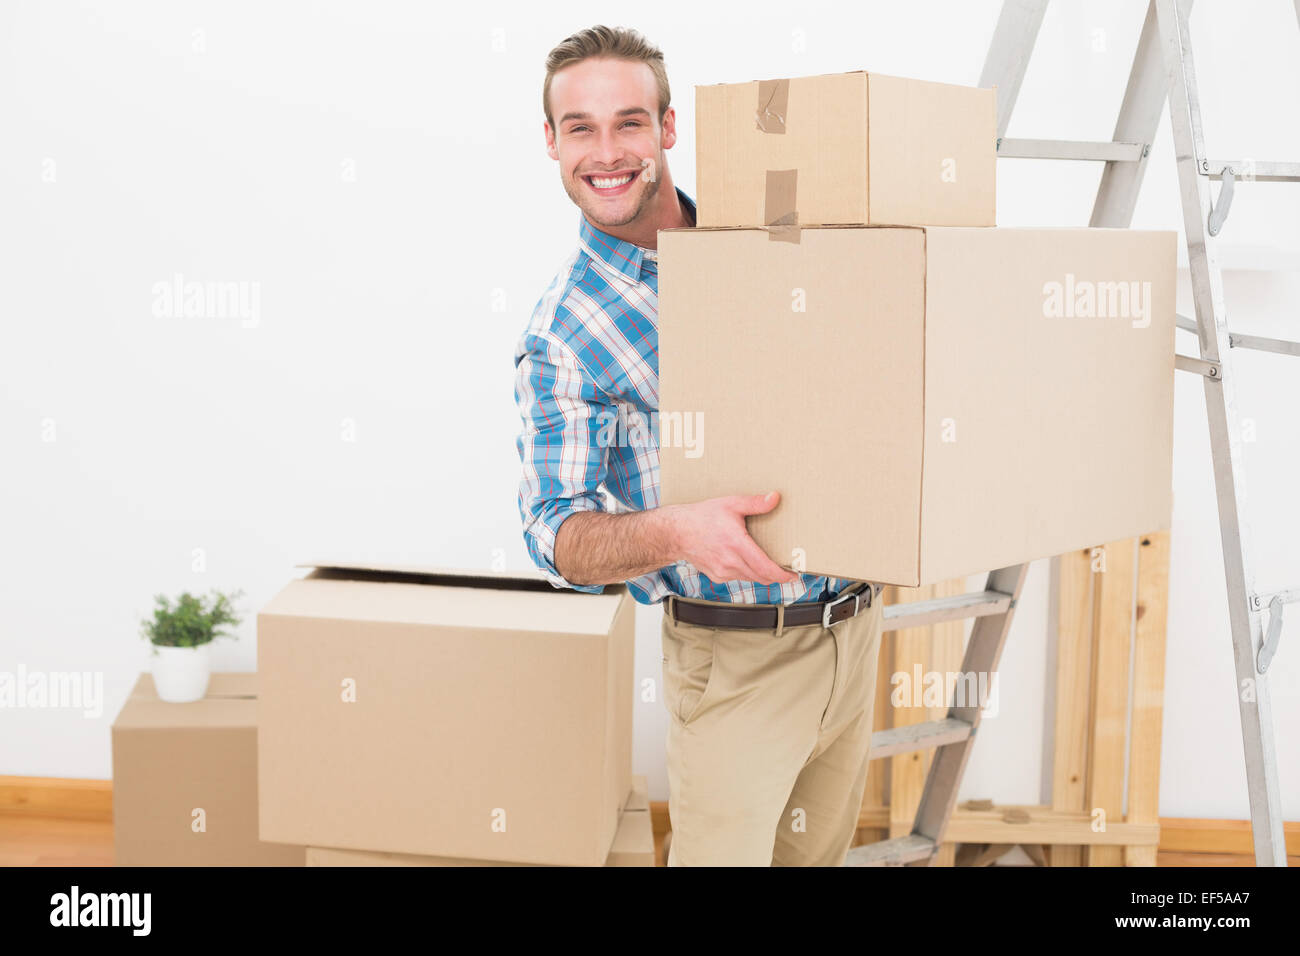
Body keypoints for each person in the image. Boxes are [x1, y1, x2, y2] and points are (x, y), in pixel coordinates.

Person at [514, 24, 884, 866]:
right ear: (552, 142)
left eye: (630, 123)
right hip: (736, 661)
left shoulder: (768, 233)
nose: (607, 152)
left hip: (855, 629)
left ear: (669, 129)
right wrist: (681, 532)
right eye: (581, 127)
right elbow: (557, 537)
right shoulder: (564, 335)